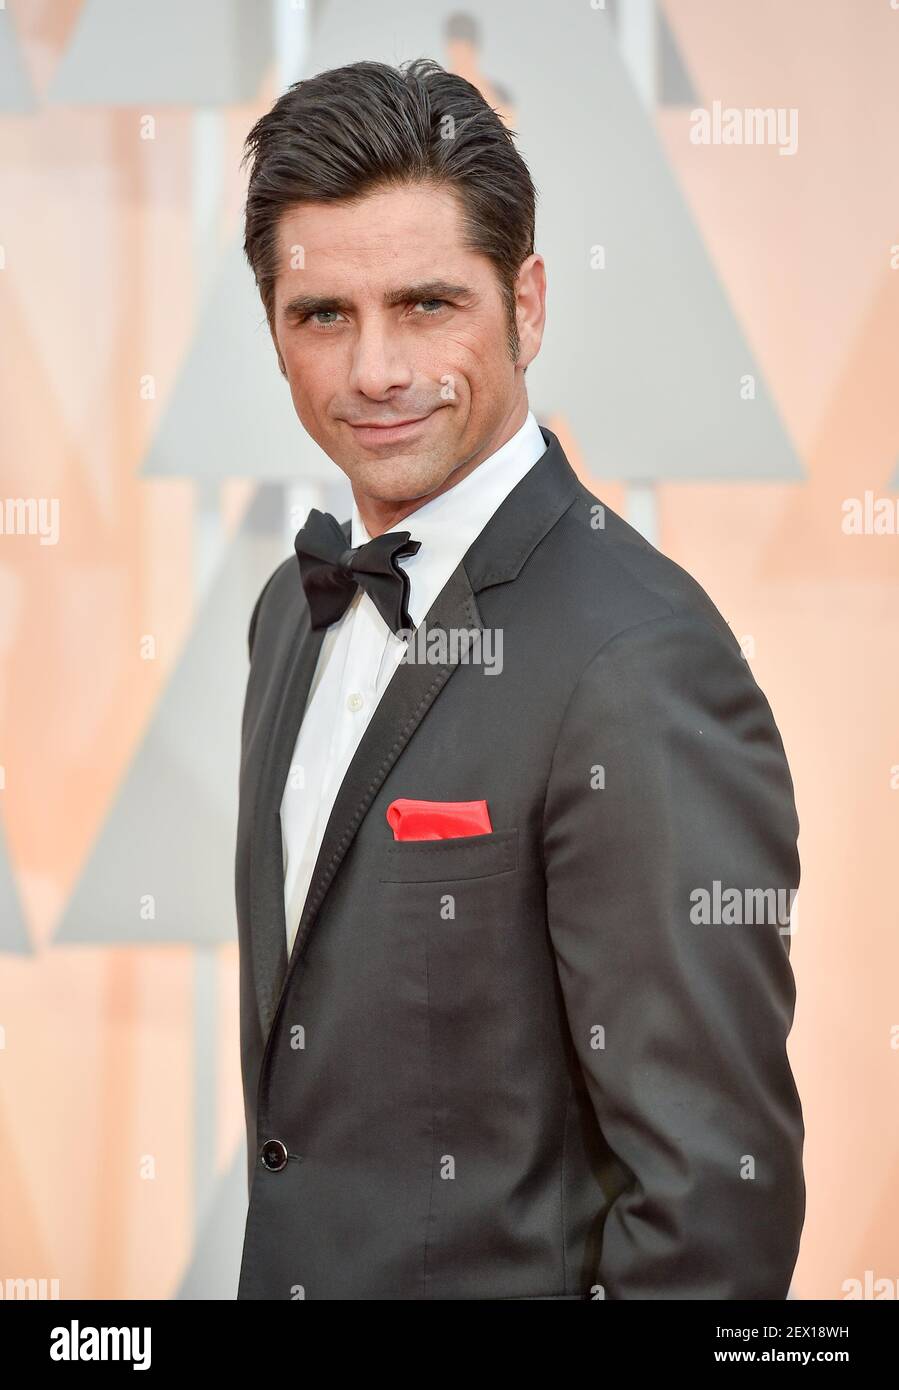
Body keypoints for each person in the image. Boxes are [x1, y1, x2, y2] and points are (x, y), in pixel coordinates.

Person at [234, 58, 804, 1300]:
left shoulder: (639, 657)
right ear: (272, 326)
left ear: (527, 305)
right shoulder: (290, 613)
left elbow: (713, 1202)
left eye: (428, 305)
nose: (375, 370)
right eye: (321, 314)